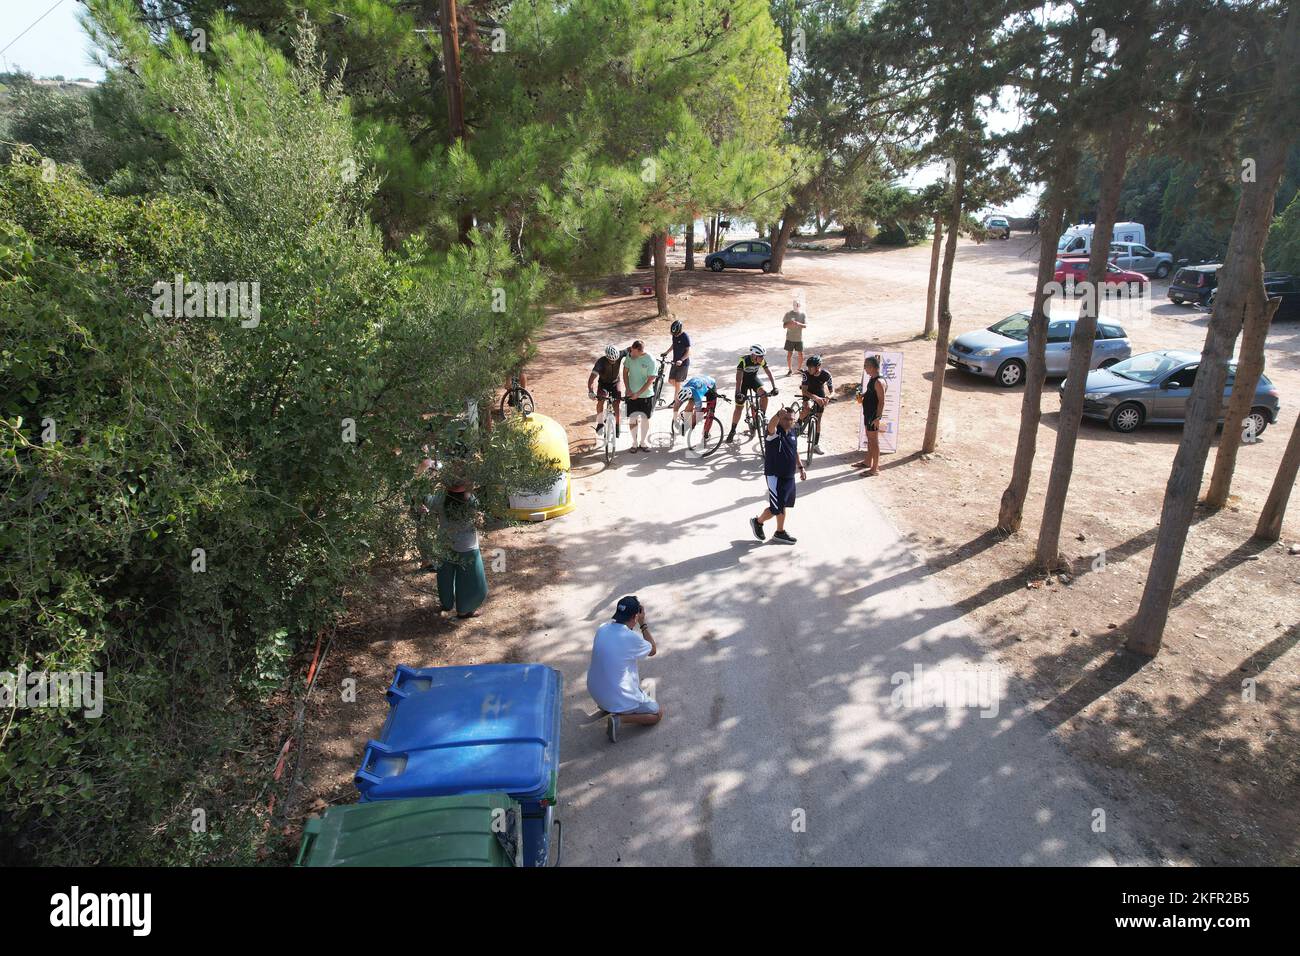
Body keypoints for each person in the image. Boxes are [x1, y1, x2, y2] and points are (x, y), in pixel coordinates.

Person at [586, 595, 664, 743]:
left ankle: (609, 707)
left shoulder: (602, 628)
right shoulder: (630, 638)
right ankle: (619, 719)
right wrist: (643, 623)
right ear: (635, 616)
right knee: (657, 713)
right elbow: (653, 649)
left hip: (595, 692)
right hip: (615, 699)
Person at [428, 475, 488, 618]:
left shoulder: (440, 498)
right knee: (470, 579)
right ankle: (464, 609)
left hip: (444, 544)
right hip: (467, 546)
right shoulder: (471, 500)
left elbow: (426, 499)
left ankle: (446, 604)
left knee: (445, 576)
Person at [749, 405, 805, 544]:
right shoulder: (773, 433)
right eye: (785, 419)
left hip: (789, 475)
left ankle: (780, 532)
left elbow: (795, 450)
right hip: (775, 475)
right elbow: (770, 427)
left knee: (783, 504)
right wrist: (777, 414)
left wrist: (801, 467)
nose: (788, 422)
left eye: (791, 419)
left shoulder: (792, 433)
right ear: (780, 419)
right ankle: (758, 522)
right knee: (776, 507)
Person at [727, 344, 777, 443]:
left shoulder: (761, 360)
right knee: (739, 408)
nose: (762, 358)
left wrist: (774, 387)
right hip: (743, 383)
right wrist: (738, 392)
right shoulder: (744, 360)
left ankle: (760, 418)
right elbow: (739, 378)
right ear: (754, 355)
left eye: (763, 356)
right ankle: (732, 430)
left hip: (753, 380)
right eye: (761, 356)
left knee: (765, 395)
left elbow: (769, 372)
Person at [622, 339, 657, 453]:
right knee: (632, 419)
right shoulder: (629, 356)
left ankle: (643, 442)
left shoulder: (650, 360)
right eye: (631, 351)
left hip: (646, 395)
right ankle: (634, 443)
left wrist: (638, 393)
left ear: (640, 351)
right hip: (631, 394)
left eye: (634, 352)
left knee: (645, 419)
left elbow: (650, 381)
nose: (631, 354)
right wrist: (628, 388)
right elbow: (625, 372)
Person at [856, 354, 887, 476]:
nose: (864, 368)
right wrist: (862, 395)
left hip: (873, 415)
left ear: (873, 367)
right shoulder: (872, 379)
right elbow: (870, 393)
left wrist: (878, 418)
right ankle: (868, 462)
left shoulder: (879, 381)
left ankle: (875, 469)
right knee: (870, 439)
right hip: (868, 413)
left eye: (866, 366)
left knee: (874, 441)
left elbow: (882, 401)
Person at [588, 344, 625, 440]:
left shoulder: (620, 354)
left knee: (616, 403)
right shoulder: (600, 362)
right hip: (603, 384)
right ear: (607, 357)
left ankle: (617, 425)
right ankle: (600, 422)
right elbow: (591, 379)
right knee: (600, 400)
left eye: (615, 360)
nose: (613, 361)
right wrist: (591, 391)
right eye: (611, 360)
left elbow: (632, 349)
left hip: (615, 383)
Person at [798, 355, 832, 454]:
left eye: (811, 367)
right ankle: (799, 422)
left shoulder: (826, 374)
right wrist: (816, 398)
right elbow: (804, 391)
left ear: (818, 367)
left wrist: (828, 397)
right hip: (808, 391)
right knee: (807, 408)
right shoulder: (805, 374)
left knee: (818, 419)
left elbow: (832, 391)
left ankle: (816, 445)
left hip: (819, 392)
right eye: (808, 367)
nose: (808, 369)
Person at [673, 373, 718, 438]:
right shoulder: (684, 389)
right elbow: (677, 404)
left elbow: (697, 412)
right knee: (690, 403)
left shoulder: (697, 396)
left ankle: (706, 432)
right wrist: (675, 418)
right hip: (698, 383)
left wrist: (692, 423)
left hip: (710, 387)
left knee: (710, 411)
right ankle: (686, 422)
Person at [665, 319, 691, 395]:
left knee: (677, 383)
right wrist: (666, 352)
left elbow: (688, 351)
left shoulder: (685, 336)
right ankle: (683, 391)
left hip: (683, 364)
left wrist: (681, 360)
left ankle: (676, 400)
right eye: (674, 334)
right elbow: (674, 344)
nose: (675, 335)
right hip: (675, 362)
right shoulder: (674, 335)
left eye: (676, 334)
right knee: (670, 380)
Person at [782, 298, 807, 375]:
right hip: (790, 338)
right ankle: (790, 370)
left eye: (797, 304)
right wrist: (790, 323)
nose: (796, 305)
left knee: (801, 354)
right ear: (793, 305)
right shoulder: (788, 314)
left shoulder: (803, 314)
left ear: (799, 305)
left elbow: (805, 325)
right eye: (794, 304)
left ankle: (799, 369)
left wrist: (798, 324)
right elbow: (784, 326)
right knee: (789, 354)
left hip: (799, 338)